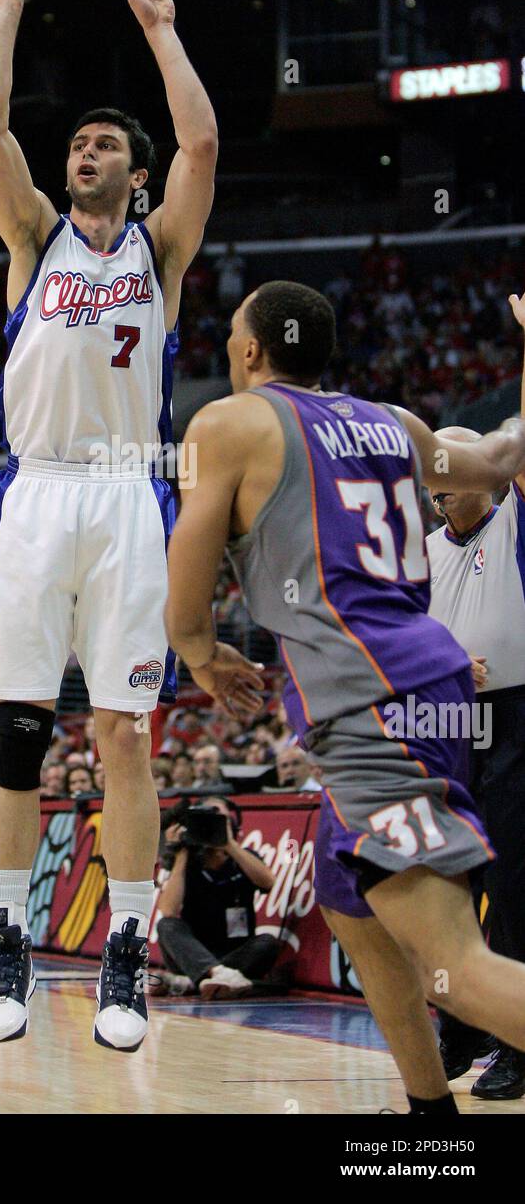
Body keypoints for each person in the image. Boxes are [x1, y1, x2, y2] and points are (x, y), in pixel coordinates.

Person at [165, 278, 525, 1116]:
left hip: (374, 706)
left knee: (456, 961)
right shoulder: (389, 422)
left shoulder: (227, 424)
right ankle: (428, 1117)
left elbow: (186, 582)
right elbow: (503, 460)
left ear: (251, 350)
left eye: (229, 337)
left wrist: (200, 653)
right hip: (424, 684)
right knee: (346, 897)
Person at [0, 0, 217, 1051]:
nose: (84, 150)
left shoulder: (160, 253)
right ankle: (7, 938)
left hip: (126, 497)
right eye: (76, 140)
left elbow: (205, 139)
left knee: (124, 734)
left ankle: (125, 952)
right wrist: (8, 4)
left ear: (137, 173)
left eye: (105, 142)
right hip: (35, 495)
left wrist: (162, 30)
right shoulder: (32, 237)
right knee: (18, 730)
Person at [422, 293, 525, 1099]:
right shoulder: (420, 550)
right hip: (446, 725)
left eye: (452, 478)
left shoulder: (512, 519)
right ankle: (456, 1035)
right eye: (434, 481)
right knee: (449, 887)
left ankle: (516, 1045)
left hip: (515, 720)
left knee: (515, 884)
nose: (440, 489)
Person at [155, 797, 278, 998]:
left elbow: (268, 882)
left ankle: (193, 981)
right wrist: (182, 853)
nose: (214, 824)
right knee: (166, 925)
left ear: (232, 824)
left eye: (221, 819)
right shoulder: (188, 863)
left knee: (267, 942)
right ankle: (217, 975)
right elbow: (168, 910)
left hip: (236, 951)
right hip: (192, 953)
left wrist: (228, 843)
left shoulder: (245, 856)